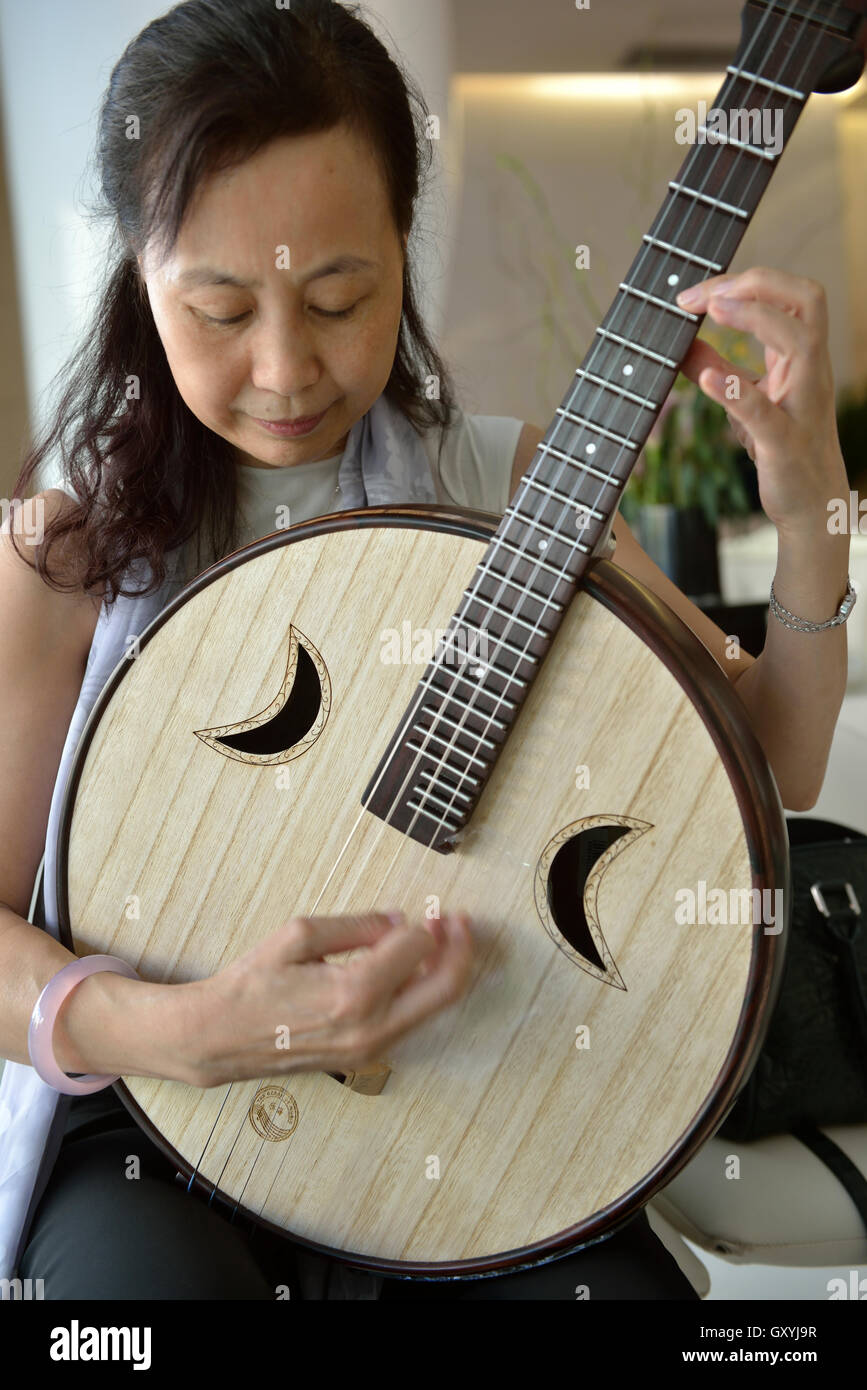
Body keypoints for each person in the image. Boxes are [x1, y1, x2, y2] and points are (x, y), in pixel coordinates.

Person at [0, 0, 854, 1301]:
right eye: (220, 309)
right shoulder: (64, 557)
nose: (285, 367)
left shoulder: (512, 484)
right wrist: (186, 1027)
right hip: (157, 1115)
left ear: (404, 248)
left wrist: (805, 500)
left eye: (341, 296)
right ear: (137, 268)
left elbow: (777, 761)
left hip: (483, 1104)